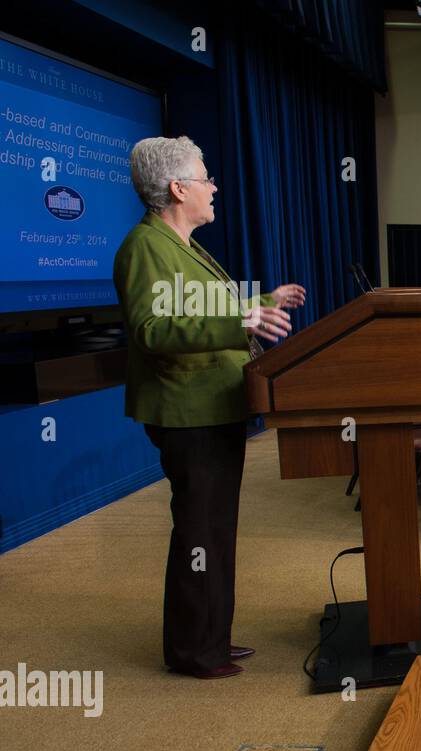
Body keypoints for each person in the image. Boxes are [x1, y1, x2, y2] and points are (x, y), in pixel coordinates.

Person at [115, 136, 301, 680]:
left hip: (215, 409)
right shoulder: (143, 247)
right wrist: (243, 320)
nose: (214, 186)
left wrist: (263, 304)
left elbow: (201, 308)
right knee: (200, 532)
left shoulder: (183, 245)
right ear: (178, 188)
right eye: (205, 177)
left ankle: (212, 638)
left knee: (215, 531)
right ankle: (195, 651)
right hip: (187, 414)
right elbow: (152, 329)